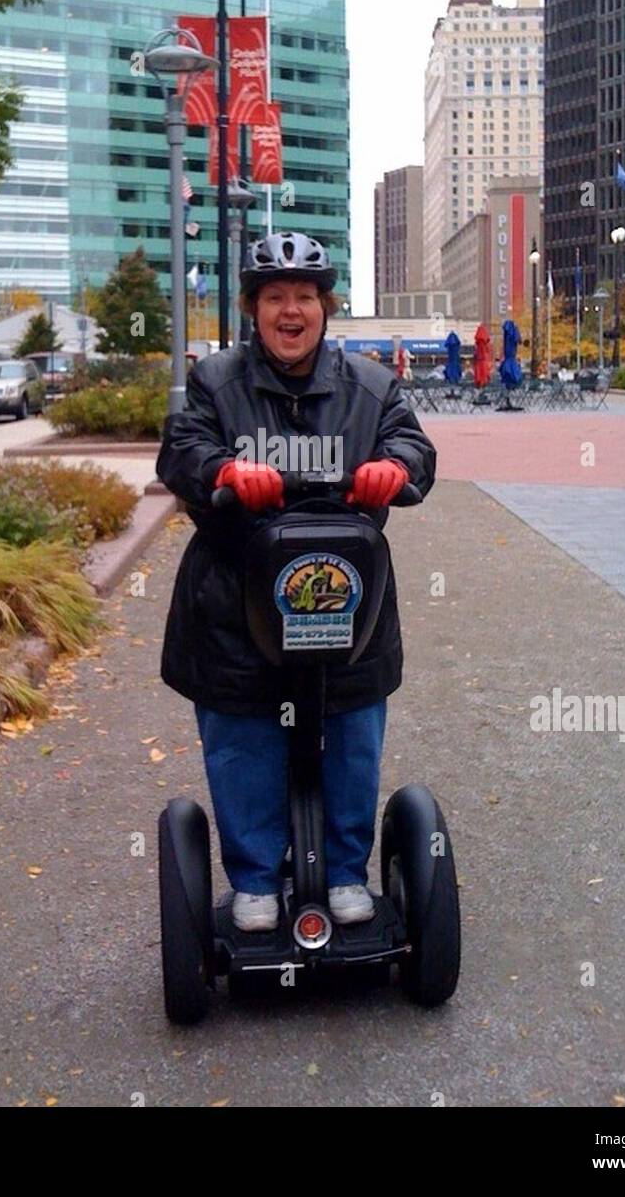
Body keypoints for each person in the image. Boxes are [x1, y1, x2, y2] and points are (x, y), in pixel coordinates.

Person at [156, 232, 436, 932]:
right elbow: (181, 448)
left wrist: (393, 466)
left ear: (324, 308)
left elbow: (413, 445)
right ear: (252, 308)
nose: (290, 311)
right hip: (235, 600)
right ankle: (253, 877)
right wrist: (223, 471)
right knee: (244, 734)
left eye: (303, 297)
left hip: (347, 603)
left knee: (350, 732)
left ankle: (344, 870)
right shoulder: (214, 382)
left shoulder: (370, 386)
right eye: (274, 297)